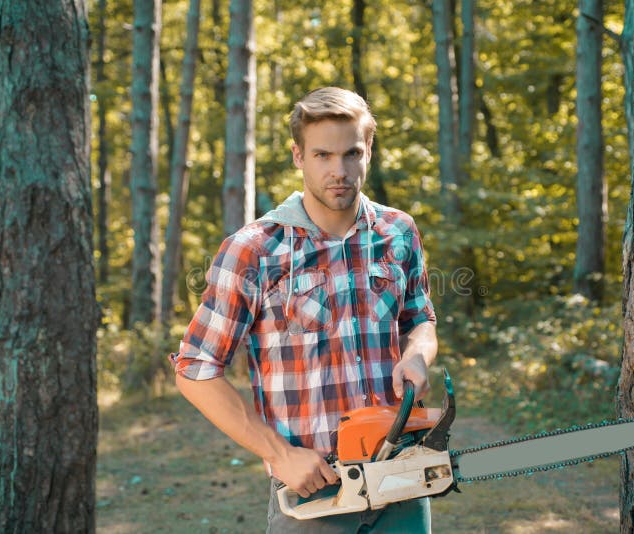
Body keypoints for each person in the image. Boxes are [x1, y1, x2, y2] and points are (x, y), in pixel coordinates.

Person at [170, 86, 438, 533]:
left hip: (401, 474)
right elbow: (195, 369)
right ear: (298, 156)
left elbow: (420, 319)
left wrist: (416, 354)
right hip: (315, 490)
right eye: (322, 155)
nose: (340, 170)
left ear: (368, 150)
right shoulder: (255, 250)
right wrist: (280, 455)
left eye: (352, 153)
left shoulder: (398, 232)